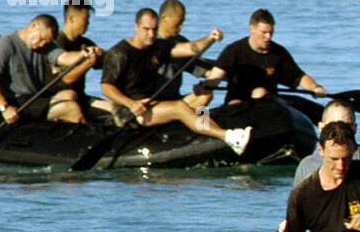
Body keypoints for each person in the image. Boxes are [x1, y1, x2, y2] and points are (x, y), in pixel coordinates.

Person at [100, 8, 251, 153]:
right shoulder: (119, 53)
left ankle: (203, 127)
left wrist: (210, 38)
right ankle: (227, 136)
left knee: (205, 95)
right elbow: (106, 87)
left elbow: (190, 49)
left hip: (154, 103)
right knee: (179, 107)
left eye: (154, 29)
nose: (151, 34)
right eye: (146, 29)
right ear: (136, 27)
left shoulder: (157, 47)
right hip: (131, 112)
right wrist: (131, 104)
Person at [0, 15, 100, 124]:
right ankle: (86, 139)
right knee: (70, 108)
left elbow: (64, 57)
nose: (42, 45)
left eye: (46, 42)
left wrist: (84, 54)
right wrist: (4, 108)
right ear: (33, 26)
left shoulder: (45, 46)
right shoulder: (5, 44)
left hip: (35, 99)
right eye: (41, 39)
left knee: (70, 94)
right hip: (15, 102)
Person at [198, 8, 325, 104]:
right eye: (264, 32)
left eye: (271, 33)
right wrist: (204, 87)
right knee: (227, 102)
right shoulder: (234, 51)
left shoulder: (279, 53)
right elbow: (215, 77)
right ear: (252, 29)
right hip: (237, 103)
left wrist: (315, 87)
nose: (268, 37)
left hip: (268, 105)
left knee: (260, 92)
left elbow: (299, 77)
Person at [291, 100, 360, 186]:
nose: (340, 130)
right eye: (333, 125)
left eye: (347, 126)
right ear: (321, 127)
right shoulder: (307, 165)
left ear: (355, 128)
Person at [153, 0, 222, 109]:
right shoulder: (150, 41)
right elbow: (193, 49)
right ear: (164, 17)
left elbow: (202, 69)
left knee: (206, 94)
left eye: (183, 22)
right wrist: (210, 38)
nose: (181, 27)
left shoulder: (181, 40)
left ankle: (201, 124)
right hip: (153, 103)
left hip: (175, 100)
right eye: (179, 22)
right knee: (180, 107)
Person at [50, 1, 102, 119]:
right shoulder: (56, 45)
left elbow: (105, 63)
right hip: (60, 99)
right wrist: (89, 63)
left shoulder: (85, 43)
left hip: (81, 97)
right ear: (71, 19)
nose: (88, 23)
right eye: (86, 19)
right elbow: (66, 79)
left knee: (115, 110)